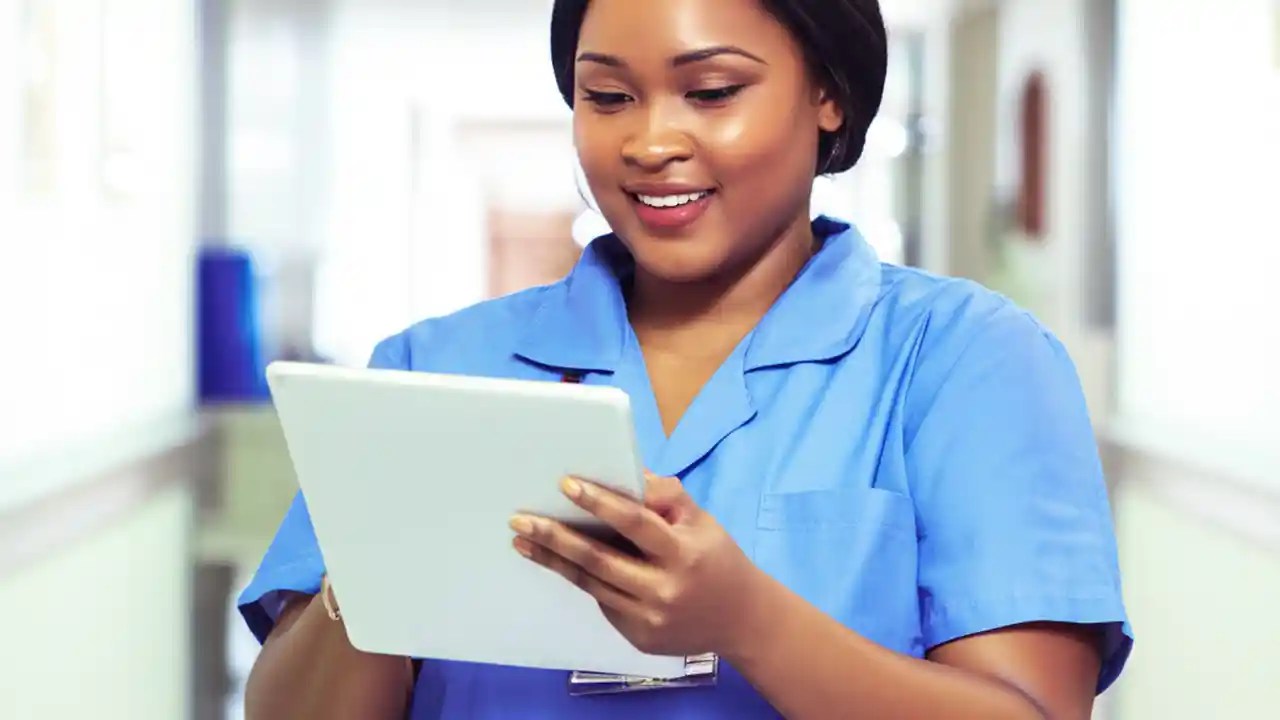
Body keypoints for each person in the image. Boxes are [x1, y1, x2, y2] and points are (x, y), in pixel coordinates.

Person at [238, 0, 1133, 718]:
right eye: (608, 97)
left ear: (828, 93)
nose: (650, 142)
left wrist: (748, 622)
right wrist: (376, 574)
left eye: (710, 92)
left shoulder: (966, 364)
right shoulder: (430, 369)